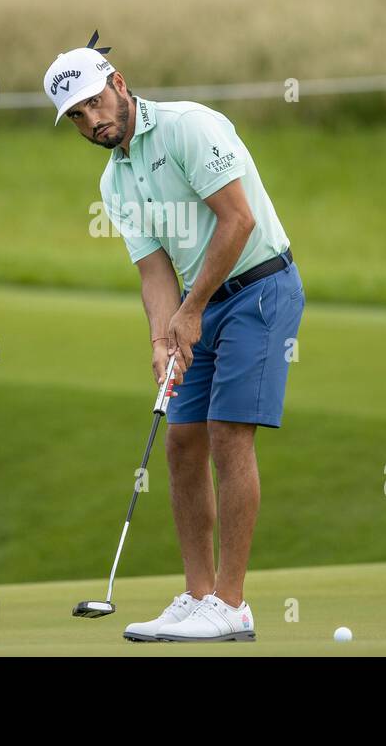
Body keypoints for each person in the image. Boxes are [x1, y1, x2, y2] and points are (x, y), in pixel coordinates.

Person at [44, 33, 305, 642]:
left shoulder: (189, 127)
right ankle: (198, 595)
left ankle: (232, 605)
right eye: (76, 115)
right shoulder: (114, 183)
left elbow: (238, 221)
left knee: (227, 436)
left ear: (119, 83)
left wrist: (190, 312)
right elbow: (154, 271)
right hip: (199, 303)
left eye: (94, 102)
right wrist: (162, 342)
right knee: (181, 442)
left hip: (259, 289)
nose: (91, 120)